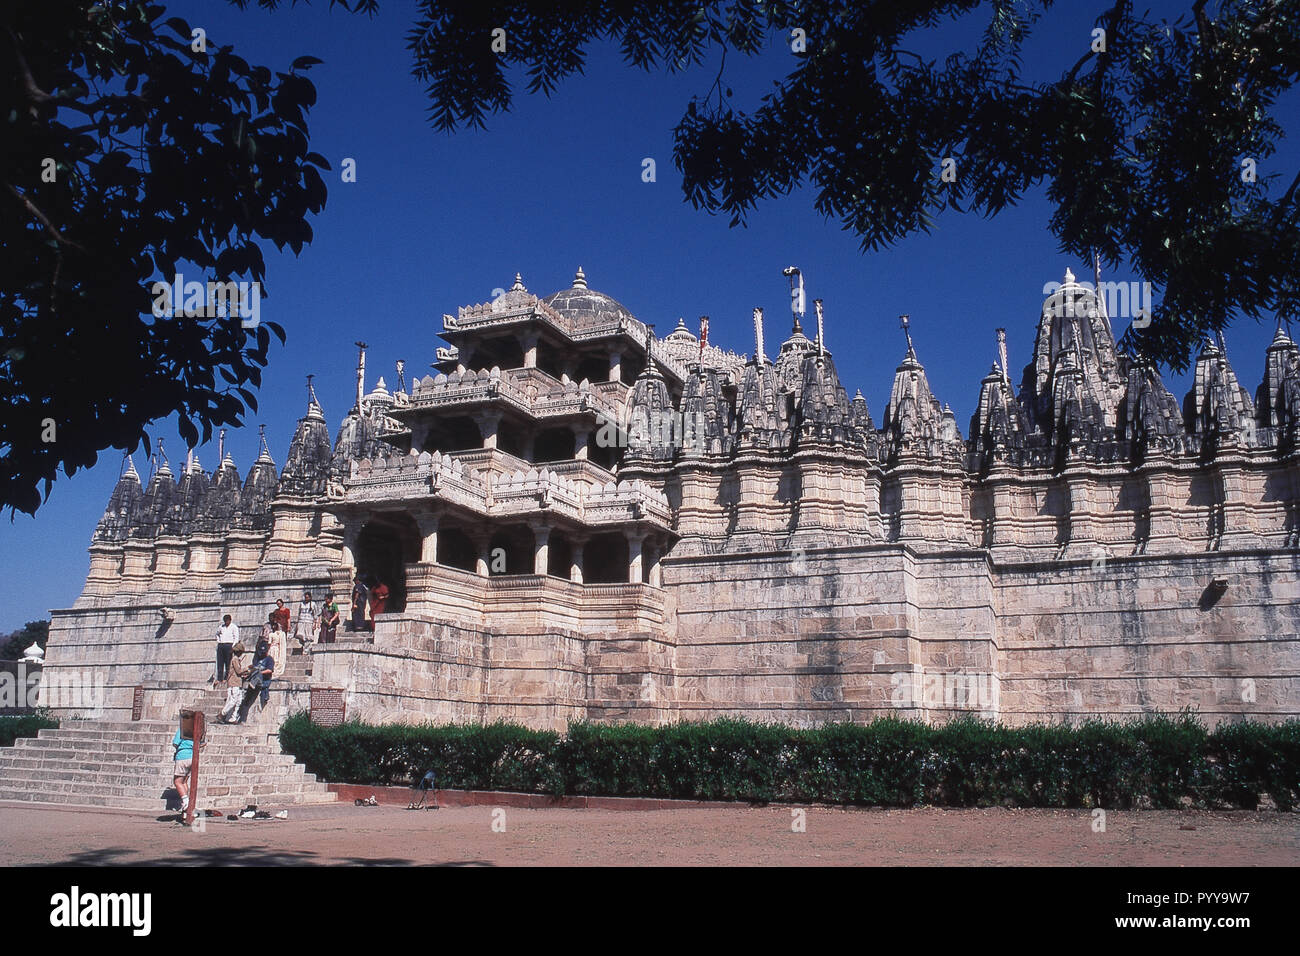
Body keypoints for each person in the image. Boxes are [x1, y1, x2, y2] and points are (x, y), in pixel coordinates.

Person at [217, 643, 251, 723]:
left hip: (238, 683)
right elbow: (238, 671)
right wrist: (248, 668)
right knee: (233, 700)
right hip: (233, 683)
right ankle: (222, 714)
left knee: (238, 701)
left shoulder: (236, 659)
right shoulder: (235, 659)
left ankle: (233, 718)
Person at [172, 727, 194, 815]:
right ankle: (185, 803)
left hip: (182, 756)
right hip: (192, 756)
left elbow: (175, 743)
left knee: (177, 781)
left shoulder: (183, 729)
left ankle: (186, 802)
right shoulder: (199, 730)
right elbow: (203, 744)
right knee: (184, 781)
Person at [260, 613, 286, 679]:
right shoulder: (280, 634)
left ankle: (271, 672)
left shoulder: (271, 634)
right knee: (275, 660)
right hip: (276, 648)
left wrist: (267, 650)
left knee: (272, 659)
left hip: (271, 648)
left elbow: (269, 643)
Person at [214, 614, 239, 684]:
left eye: (227, 621)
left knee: (228, 662)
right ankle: (219, 678)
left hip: (229, 645)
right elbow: (217, 634)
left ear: (230, 620)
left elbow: (236, 637)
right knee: (220, 662)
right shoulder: (221, 627)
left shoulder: (234, 627)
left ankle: (226, 677)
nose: (226, 622)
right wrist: (219, 641)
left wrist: (233, 646)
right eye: (225, 621)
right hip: (221, 645)